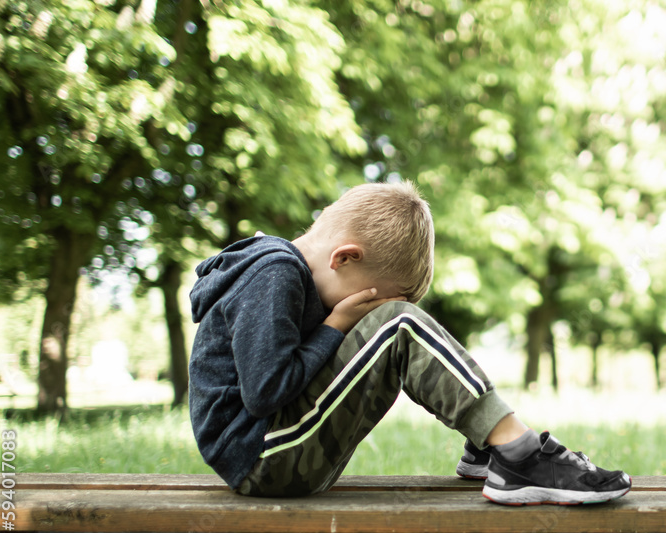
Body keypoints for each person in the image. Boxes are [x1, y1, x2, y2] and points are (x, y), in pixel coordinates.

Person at [188, 181, 631, 505]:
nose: (362, 311)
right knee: (399, 325)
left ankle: (491, 445)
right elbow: (265, 391)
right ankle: (518, 454)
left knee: (397, 322)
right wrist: (336, 325)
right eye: (368, 298)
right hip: (262, 455)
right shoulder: (274, 274)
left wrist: (337, 323)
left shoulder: (286, 273)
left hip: (273, 448)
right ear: (344, 258)